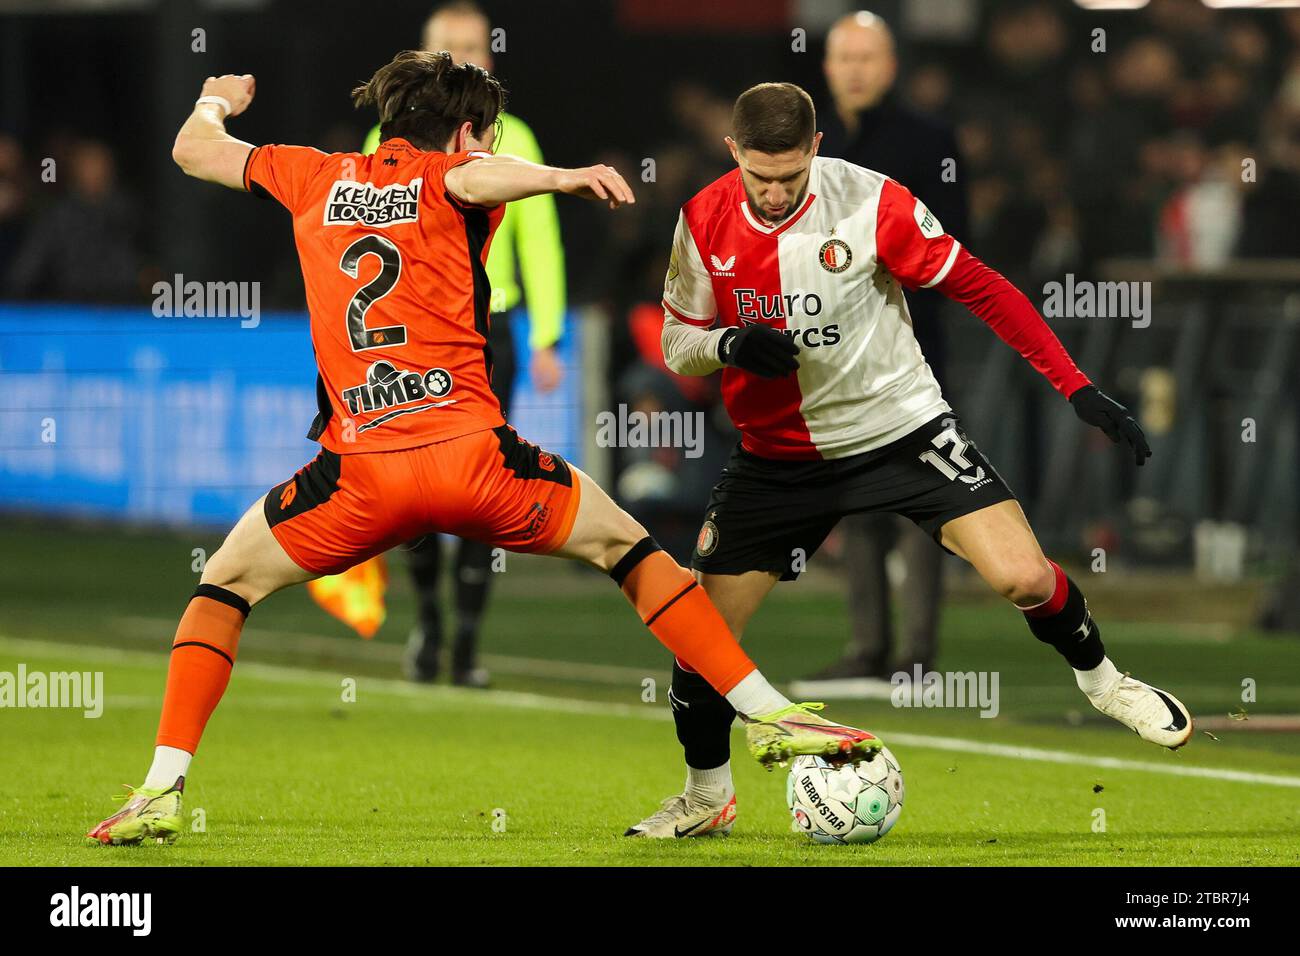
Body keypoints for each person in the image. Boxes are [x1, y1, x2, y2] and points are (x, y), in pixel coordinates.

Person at [85, 56, 881, 846]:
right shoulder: (452, 177)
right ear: (465, 134)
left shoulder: (311, 174)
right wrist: (562, 177)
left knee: (223, 583)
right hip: (476, 465)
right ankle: (768, 712)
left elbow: (194, 151)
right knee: (632, 551)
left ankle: (160, 787)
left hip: (358, 478)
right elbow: (473, 180)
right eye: (486, 135)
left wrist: (213, 102)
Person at [624, 81, 1192, 840]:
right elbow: (677, 340)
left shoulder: (874, 204)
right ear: (733, 153)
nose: (773, 193)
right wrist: (728, 344)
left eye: (790, 177)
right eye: (759, 177)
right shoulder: (702, 218)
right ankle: (706, 795)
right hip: (777, 456)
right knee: (697, 638)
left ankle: (1107, 682)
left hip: (901, 428)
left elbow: (982, 288)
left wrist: (1076, 386)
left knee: (1024, 575)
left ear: (816, 150)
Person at [359, 0, 568, 688]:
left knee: (481, 481)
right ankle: (430, 621)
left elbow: (540, 238)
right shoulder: (380, 141)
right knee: (410, 482)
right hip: (407, 336)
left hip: (488, 328)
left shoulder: (515, 137)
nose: (460, 60)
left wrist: (547, 333)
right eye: (445, 50)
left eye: (471, 48)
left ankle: (468, 644)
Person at [810, 10, 968, 681]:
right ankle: (870, 647)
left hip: (910, 348)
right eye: (843, 57)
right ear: (826, 67)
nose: (853, 69)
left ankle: (918, 654)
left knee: (924, 499)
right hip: (833, 354)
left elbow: (952, 242)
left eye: (866, 58)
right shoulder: (808, 143)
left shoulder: (930, 140)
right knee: (858, 500)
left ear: (890, 65)